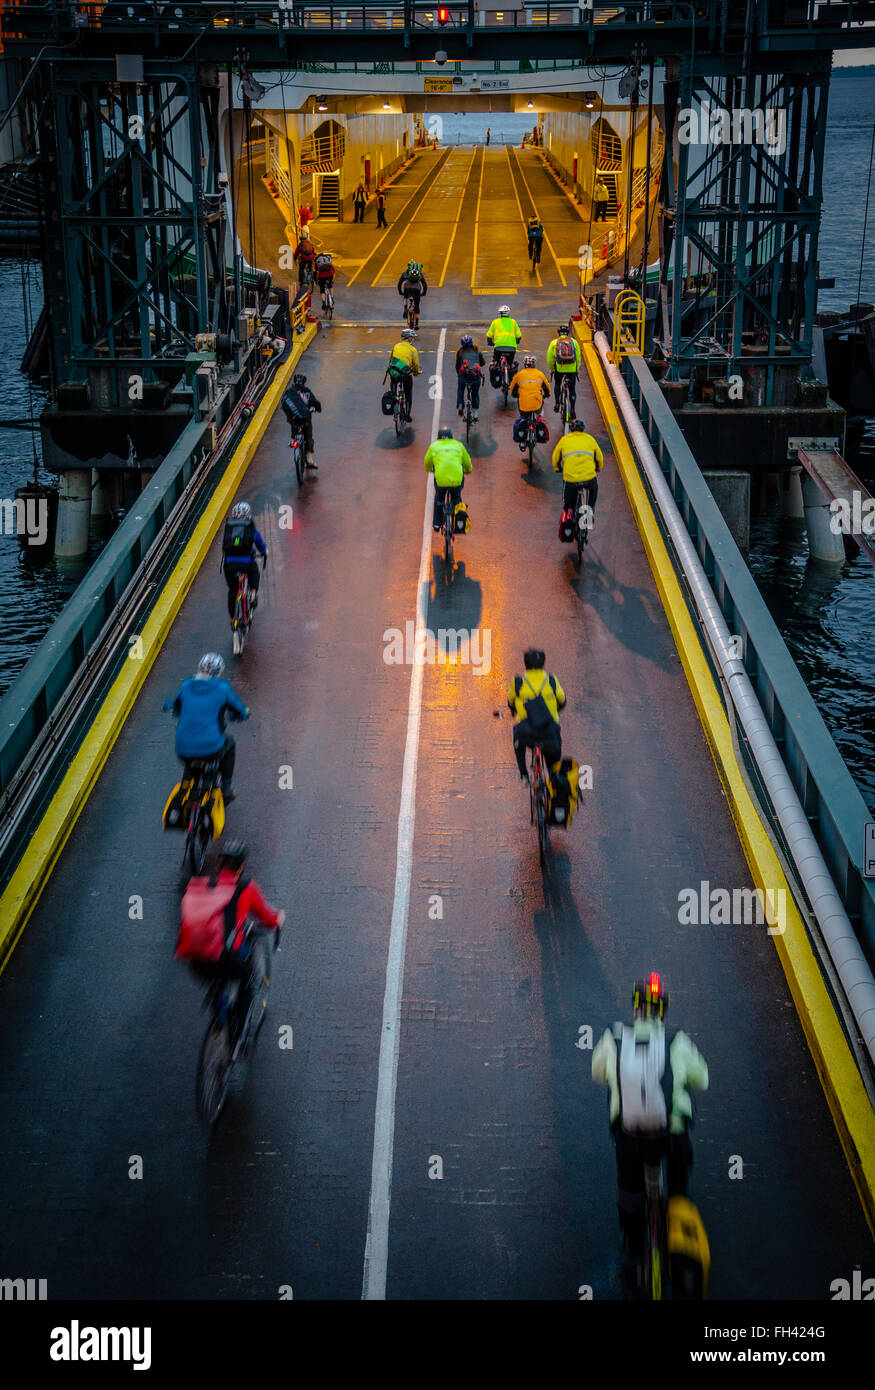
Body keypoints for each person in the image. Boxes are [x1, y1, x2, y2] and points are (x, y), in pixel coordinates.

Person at [591, 974, 709, 1258]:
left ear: (635, 1008)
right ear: (664, 1010)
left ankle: (631, 1240)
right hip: (669, 1135)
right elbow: (702, 1079)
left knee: (629, 1187)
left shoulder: (614, 1037)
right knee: (680, 1173)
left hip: (629, 1136)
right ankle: (679, 1216)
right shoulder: (676, 1041)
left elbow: (597, 1073)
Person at [177, 840, 285, 1041]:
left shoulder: (202, 885)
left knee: (214, 972)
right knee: (247, 978)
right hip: (225, 959)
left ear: (219, 864)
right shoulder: (245, 888)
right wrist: (278, 919)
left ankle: (220, 1008)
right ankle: (240, 1033)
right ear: (242, 866)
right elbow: (268, 918)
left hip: (195, 959)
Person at [164, 654, 249, 802]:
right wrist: (245, 713)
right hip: (211, 747)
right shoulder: (222, 688)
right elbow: (240, 710)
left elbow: (176, 710)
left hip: (183, 748)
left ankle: (186, 786)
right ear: (218, 672)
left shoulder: (185, 685)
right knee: (230, 743)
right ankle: (226, 789)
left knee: (190, 758)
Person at [507, 648, 566, 784]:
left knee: (517, 738)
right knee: (554, 763)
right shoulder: (551, 680)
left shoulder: (518, 683)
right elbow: (562, 702)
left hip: (527, 733)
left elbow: (510, 702)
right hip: (549, 732)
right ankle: (553, 780)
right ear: (543, 664)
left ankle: (524, 775)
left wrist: (515, 709)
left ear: (525, 664)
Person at [220, 501, 268, 620]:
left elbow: (224, 546)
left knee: (233, 591)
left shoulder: (229, 526)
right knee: (254, 572)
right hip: (246, 563)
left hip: (229, 565)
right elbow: (259, 543)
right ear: (248, 514)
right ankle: (252, 593)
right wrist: (263, 552)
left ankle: (233, 620)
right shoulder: (249, 526)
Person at [551, 417, 603, 526]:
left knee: (568, 499)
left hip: (571, 479)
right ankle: (590, 509)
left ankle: (568, 512)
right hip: (588, 478)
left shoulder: (565, 439)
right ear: (583, 430)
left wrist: (557, 468)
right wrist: (598, 468)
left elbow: (555, 457)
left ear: (571, 430)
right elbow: (599, 458)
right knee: (594, 488)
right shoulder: (590, 439)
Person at [424, 426, 472, 533]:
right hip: (456, 480)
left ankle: (437, 523)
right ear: (451, 437)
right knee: (457, 498)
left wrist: (430, 469)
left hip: (441, 481)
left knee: (439, 498)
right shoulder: (458, 445)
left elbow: (427, 463)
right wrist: (468, 470)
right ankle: (458, 523)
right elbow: (468, 463)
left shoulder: (434, 446)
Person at [281, 373, 322, 468]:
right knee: (308, 435)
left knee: (293, 420)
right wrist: (317, 409)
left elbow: (284, 402)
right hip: (305, 419)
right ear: (304, 383)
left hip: (293, 419)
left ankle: (292, 439)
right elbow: (316, 403)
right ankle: (309, 458)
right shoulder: (307, 392)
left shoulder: (290, 391)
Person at [509, 354, 550, 437]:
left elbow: (512, 389)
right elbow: (547, 389)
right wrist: (546, 395)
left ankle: (523, 439)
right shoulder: (540, 374)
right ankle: (539, 418)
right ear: (534, 365)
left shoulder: (519, 375)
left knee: (523, 415)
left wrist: (515, 395)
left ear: (524, 365)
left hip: (524, 405)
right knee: (540, 403)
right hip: (537, 403)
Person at [385, 327, 421, 421]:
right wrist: (416, 372)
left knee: (393, 381)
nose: (413, 340)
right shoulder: (413, 349)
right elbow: (416, 365)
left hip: (394, 372)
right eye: (412, 338)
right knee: (408, 393)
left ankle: (393, 396)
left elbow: (390, 359)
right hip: (405, 375)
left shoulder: (396, 346)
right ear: (408, 338)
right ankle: (407, 415)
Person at [546, 323, 582, 415]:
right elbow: (578, 358)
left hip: (559, 368)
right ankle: (573, 409)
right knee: (572, 389)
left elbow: (549, 358)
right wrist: (577, 369)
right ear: (568, 333)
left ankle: (557, 403)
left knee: (557, 384)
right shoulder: (574, 342)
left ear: (559, 333)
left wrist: (552, 369)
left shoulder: (554, 342)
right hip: (572, 369)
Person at [455, 334, 486, 419]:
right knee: (475, 394)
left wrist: (458, 374)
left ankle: (460, 404)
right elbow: (483, 363)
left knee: (460, 390)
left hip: (464, 377)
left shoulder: (460, 353)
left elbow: (457, 367)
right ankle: (475, 414)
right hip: (475, 378)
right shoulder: (477, 352)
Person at [486, 303, 522, 376]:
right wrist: (517, 341)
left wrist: (490, 342)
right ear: (509, 313)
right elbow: (519, 335)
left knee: (496, 361)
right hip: (511, 347)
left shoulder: (495, 322)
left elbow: (489, 335)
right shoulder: (513, 322)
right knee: (510, 363)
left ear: (500, 314)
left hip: (498, 347)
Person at [397, 260, 427, 327]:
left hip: (407, 288)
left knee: (405, 296)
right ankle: (416, 324)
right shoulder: (420, 273)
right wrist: (423, 293)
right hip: (417, 289)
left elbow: (399, 284)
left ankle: (405, 309)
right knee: (416, 305)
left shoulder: (405, 273)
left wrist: (400, 292)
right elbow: (424, 284)